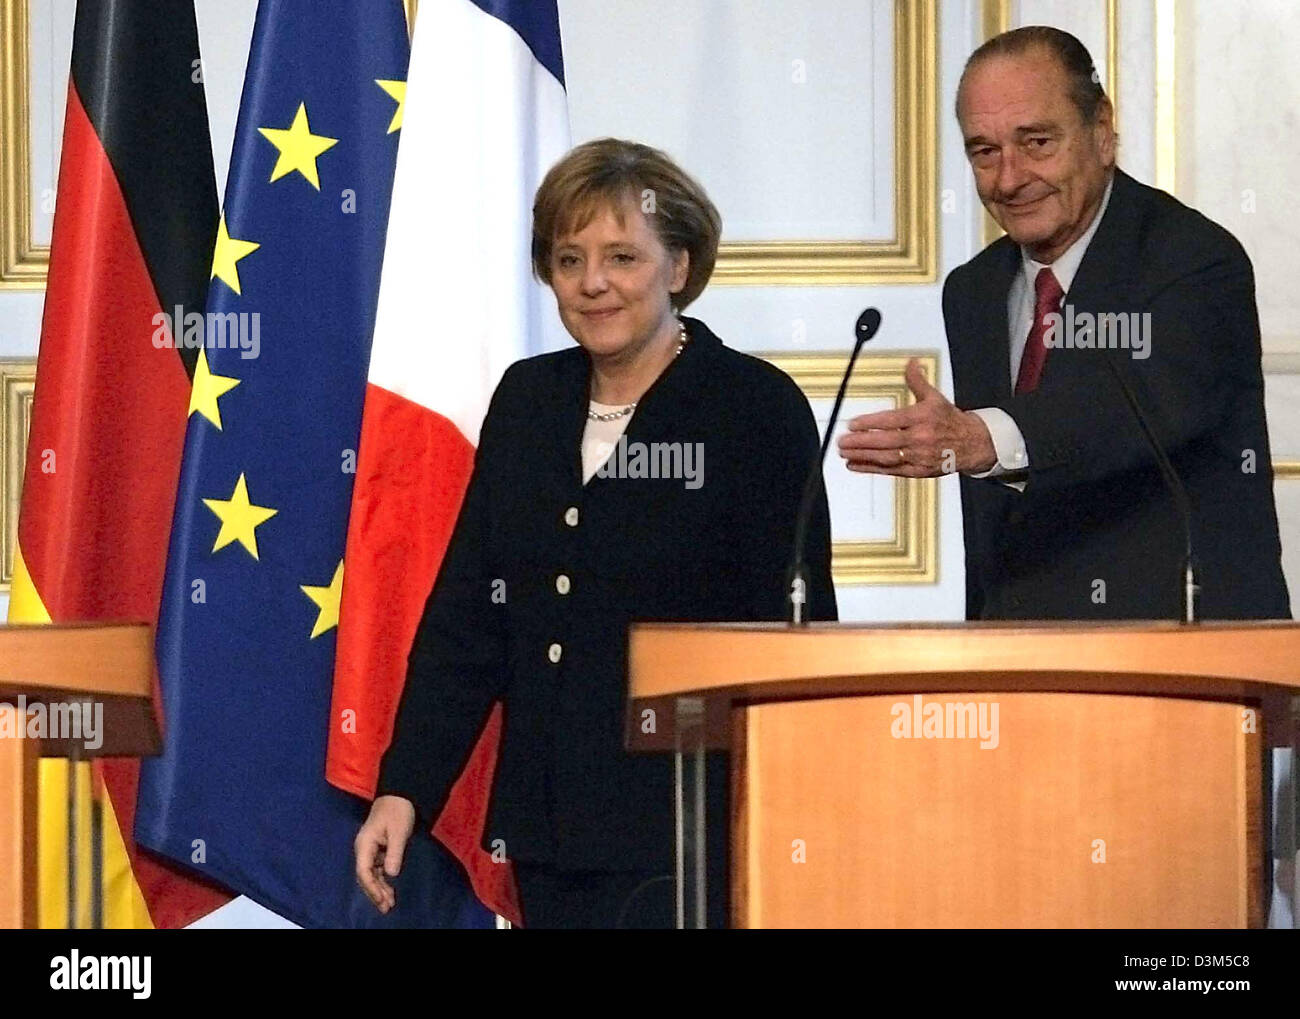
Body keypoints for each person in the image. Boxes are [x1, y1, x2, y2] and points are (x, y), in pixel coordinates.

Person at [354, 137, 837, 928]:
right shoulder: (528, 400)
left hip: (693, 839)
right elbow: (469, 621)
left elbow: (798, 635)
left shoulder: (753, 408)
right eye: (568, 259)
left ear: (679, 266)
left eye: (622, 256)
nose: (593, 283)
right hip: (548, 838)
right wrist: (405, 787)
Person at [838, 26, 1289, 621]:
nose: (1008, 178)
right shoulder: (973, 290)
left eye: (1037, 142)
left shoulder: (1193, 259)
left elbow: (1130, 411)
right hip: (1023, 662)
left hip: (1186, 654)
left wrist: (978, 438)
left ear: (1101, 133)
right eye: (985, 151)